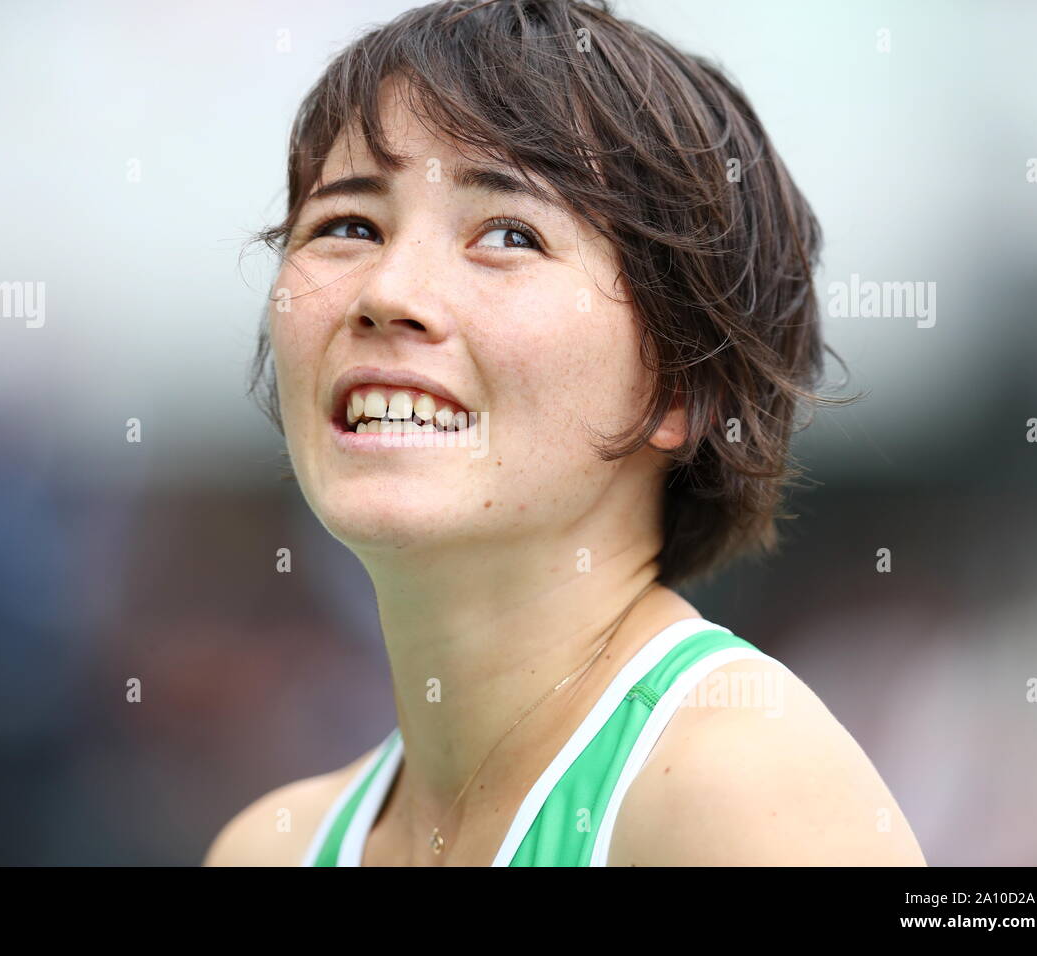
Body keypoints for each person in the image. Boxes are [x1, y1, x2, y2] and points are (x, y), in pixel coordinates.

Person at [207, 0, 926, 866]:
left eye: (509, 234)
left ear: (681, 387)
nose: (387, 291)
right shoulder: (270, 847)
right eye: (348, 226)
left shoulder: (742, 795)